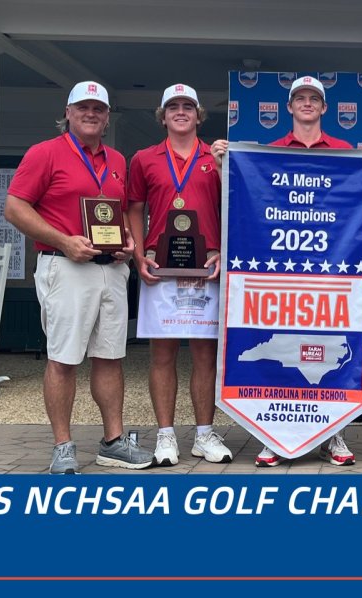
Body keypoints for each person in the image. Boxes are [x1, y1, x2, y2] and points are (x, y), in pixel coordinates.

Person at [4, 80, 155, 474]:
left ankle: (113, 442)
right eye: (83, 107)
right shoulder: (45, 153)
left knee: (110, 357)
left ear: (107, 117)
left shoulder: (118, 160)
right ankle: (63, 446)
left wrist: (126, 243)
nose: (91, 114)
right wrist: (63, 241)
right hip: (66, 266)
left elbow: (119, 213)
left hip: (111, 269)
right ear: (68, 113)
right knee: (63, 358)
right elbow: (15, 208)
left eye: (99, 109)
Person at [253, 75, 362, 468]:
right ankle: (273, 435)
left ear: (324, 107)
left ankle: (332, 433)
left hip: (334, 268)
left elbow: (359, 205)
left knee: (327, 347)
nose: (308, 104)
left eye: (315, 98)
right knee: (282, 348)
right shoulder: (271, 151)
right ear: (290, 107)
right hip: (284, 266)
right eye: (301, 98)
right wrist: (228, 160)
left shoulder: (345, 152)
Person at [127, 84, 234, 467]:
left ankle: (204, 434)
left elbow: (234, 204)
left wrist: (222, 248)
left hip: (206, 264)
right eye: (173, 106)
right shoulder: (143, 158)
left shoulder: (217, 156)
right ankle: (166, 435)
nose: (181, 111)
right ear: (163, 115)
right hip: (161, 265)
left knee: (205, 354)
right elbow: (135, 209)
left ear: (199, 115)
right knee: (163, 354)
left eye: (189, 105)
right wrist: (140, 254)